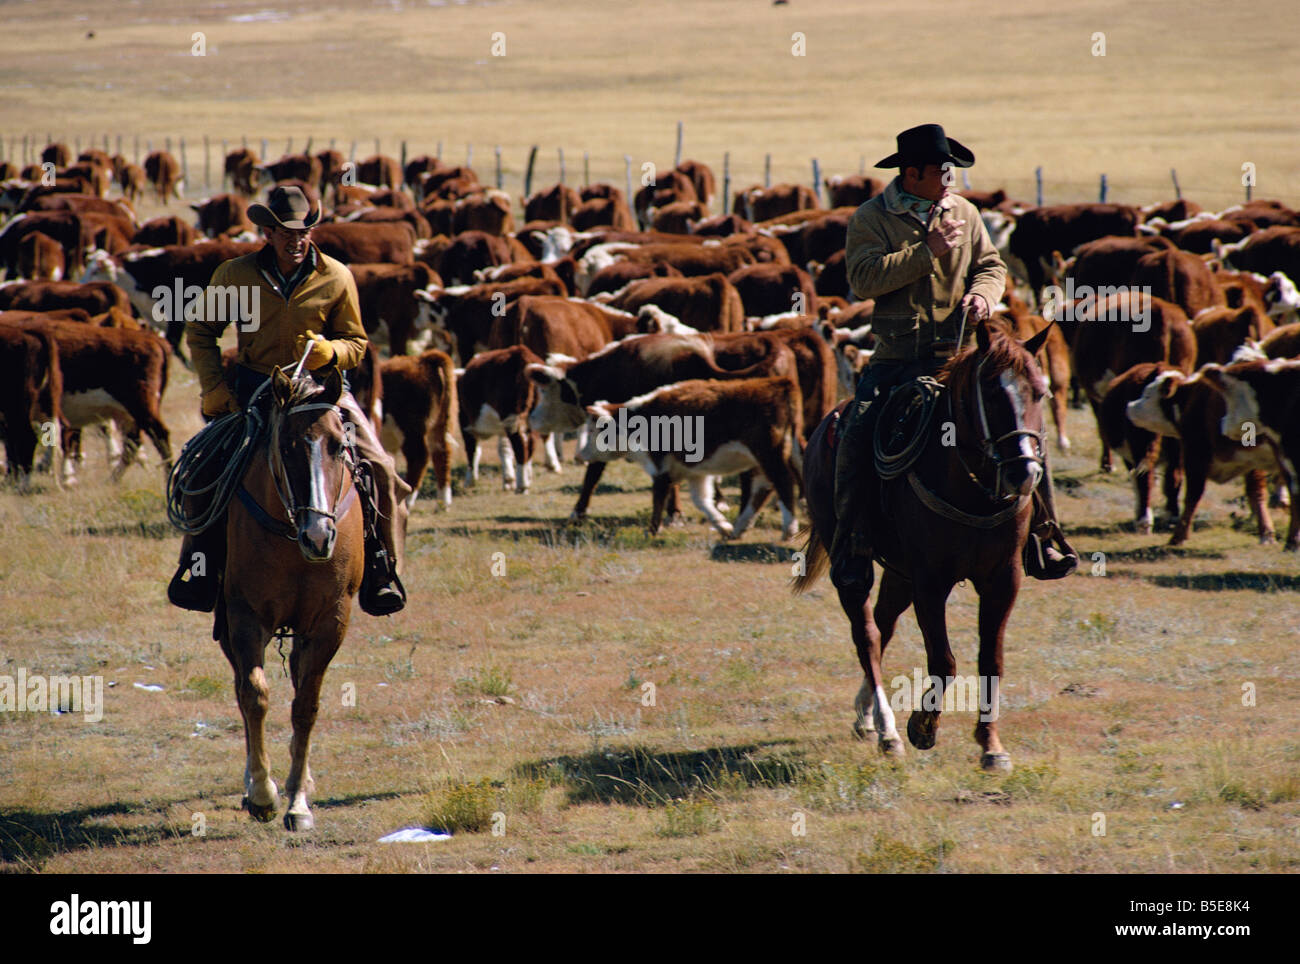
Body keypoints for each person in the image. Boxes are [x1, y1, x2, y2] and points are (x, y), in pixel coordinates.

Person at [829, 124, 1078, 591]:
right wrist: (927, 252)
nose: (951, 177)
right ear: (912, 171)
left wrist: (984, 296)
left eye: (952, 169)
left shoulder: (964, 211)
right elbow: (863, 280)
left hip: (962, 353)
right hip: (898, 357)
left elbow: (991, 266)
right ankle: (854, 541)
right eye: (943, 169)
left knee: (1023, 426)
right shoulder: (871, 218)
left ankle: (1044, 535)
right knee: (855, 434)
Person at [167, 184, 411, 616]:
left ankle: (381, 569)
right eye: (285, 232)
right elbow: (202, 332)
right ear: (267, 231)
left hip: (321, 393)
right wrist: (214, 388)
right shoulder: (236, 275)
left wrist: (331, 353)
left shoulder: (335, 276)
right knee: (200, 466)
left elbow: (356, 341)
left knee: (381, 468)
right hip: (255, 390)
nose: (296, 241)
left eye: (303, 232)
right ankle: (200, 567)